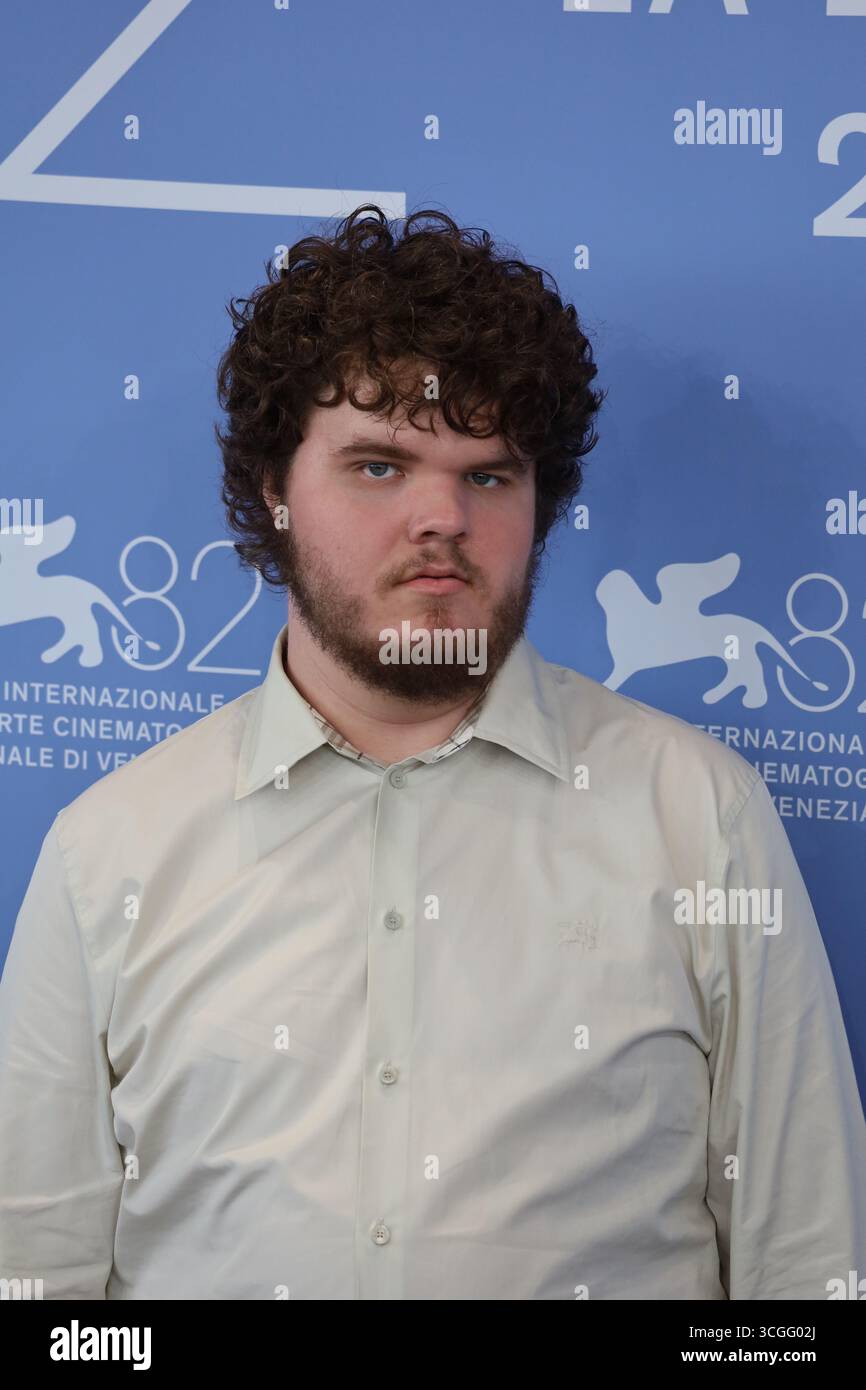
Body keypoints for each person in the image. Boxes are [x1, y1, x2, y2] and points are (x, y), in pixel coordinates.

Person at [1, 206, 864, 1301]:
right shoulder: (107, 852)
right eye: (377, 466)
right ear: (275, 488)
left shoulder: (698, 815)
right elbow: (34, 1283)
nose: (440, 518)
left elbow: (807, 1264)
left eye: (489, 475)